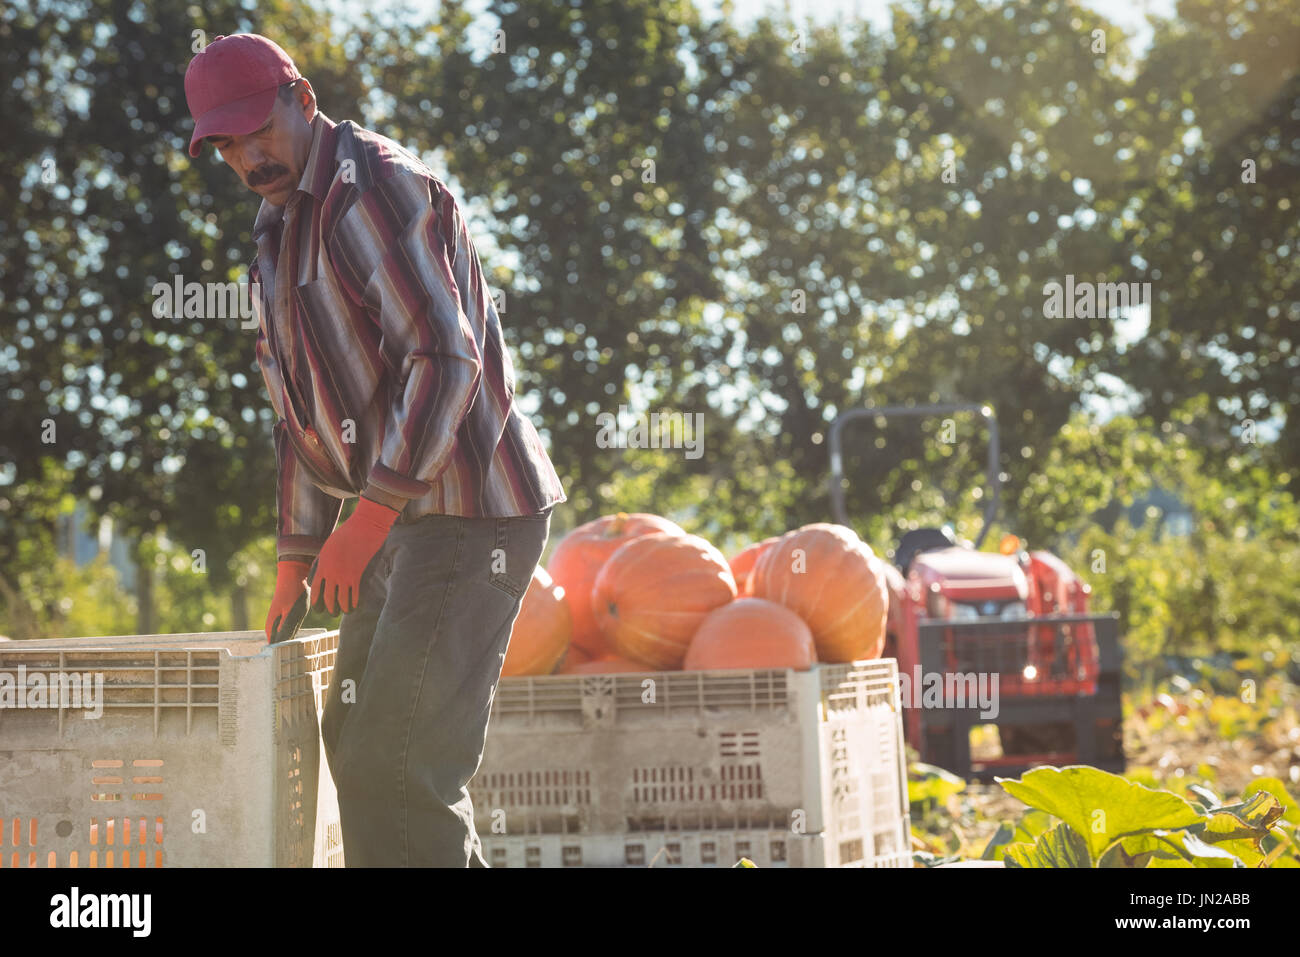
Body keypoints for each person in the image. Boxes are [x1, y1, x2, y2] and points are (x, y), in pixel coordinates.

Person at [183, 33, 566, 866]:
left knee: (397, 762)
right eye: (227, 145)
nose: (250, 157)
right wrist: (299, 552)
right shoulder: (276, 234)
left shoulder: (376, 191)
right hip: (392, 519)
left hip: (470, 512)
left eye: (259, 131)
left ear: (305, 101)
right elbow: (301, 417)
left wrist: (370, 516)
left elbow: (445, 356)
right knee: (356, 733)